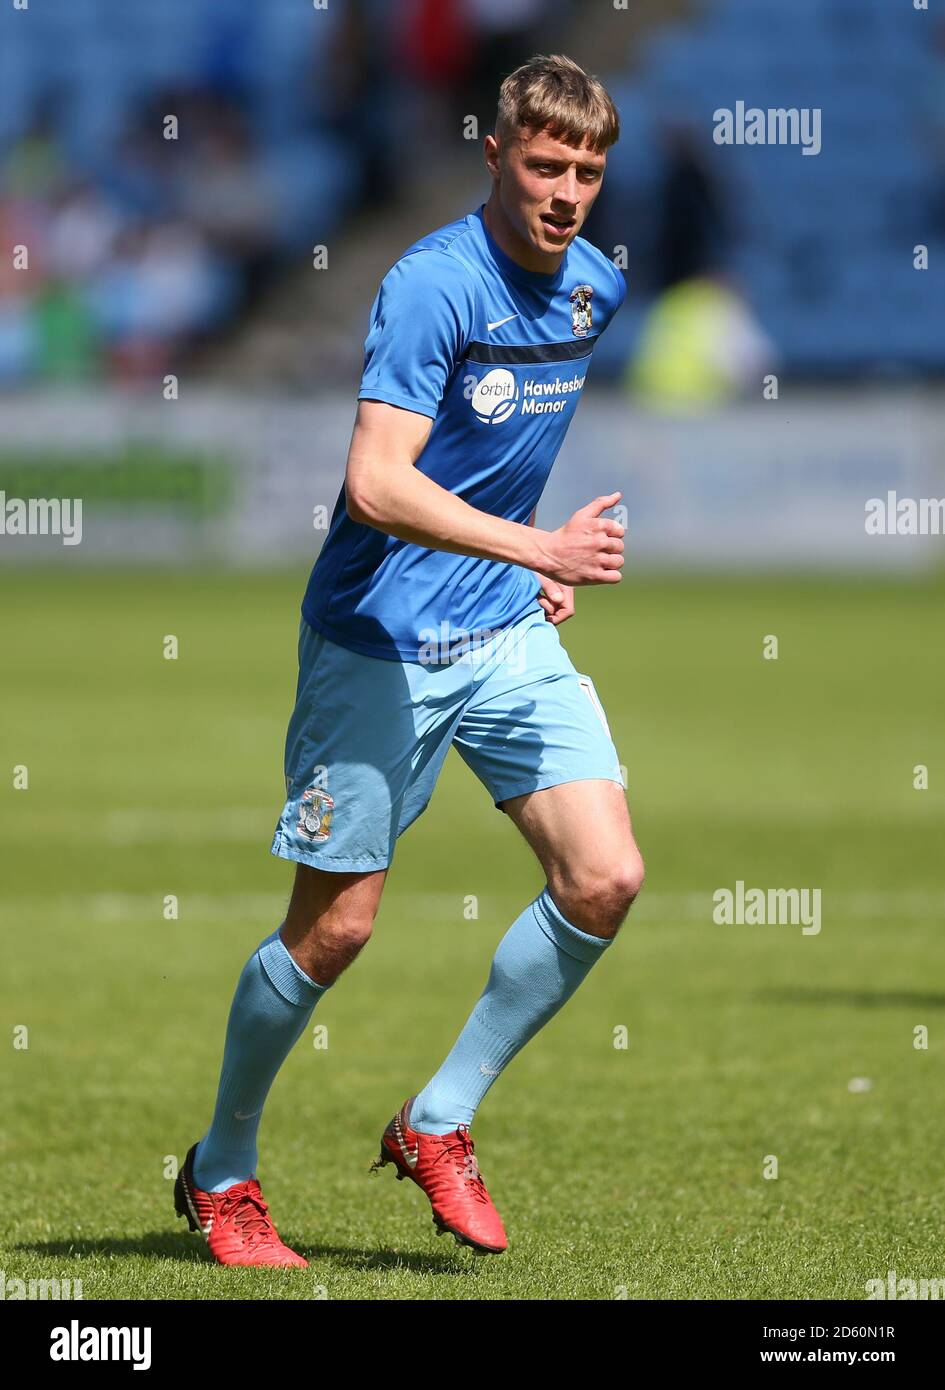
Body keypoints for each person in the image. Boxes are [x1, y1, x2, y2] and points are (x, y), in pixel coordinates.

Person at [174, 53, 645, 1267]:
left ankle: (438, 1119)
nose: (567, 193)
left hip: (502, 633)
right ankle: (221, 1170)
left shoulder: (593, 288)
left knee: (605, 878)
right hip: (377, 641)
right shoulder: (434, 285)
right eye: (545, 165)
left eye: (588, 170)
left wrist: (522, 565)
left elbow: (492, 461)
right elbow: (377, 484)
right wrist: (540, 541)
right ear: (494, 155)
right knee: (335, 933)